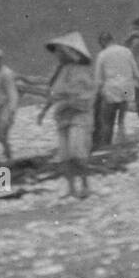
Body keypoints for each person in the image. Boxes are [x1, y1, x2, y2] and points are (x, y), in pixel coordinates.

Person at [37, 32, 96, 199]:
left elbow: (86, 95)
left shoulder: (82, 71)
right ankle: (71, 188)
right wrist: (44, 111)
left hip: (79, 116)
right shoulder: (59, 71)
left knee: (78, 151)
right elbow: (53, 94)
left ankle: (85, 185)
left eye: (60, 52)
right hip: (62, 115)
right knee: (65, 155)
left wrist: (68, 101)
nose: (57, 55)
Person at [93, 32, 138, 146]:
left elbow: (98, 78)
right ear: (113, 39)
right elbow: (135, 72)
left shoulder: (102, 54)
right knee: (121, 120)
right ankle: (122, 141)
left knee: (108, 121)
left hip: (111, 89)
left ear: (103, 42)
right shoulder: (126, 51)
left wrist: (97, 92)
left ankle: (107, 144)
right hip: (127, 89)